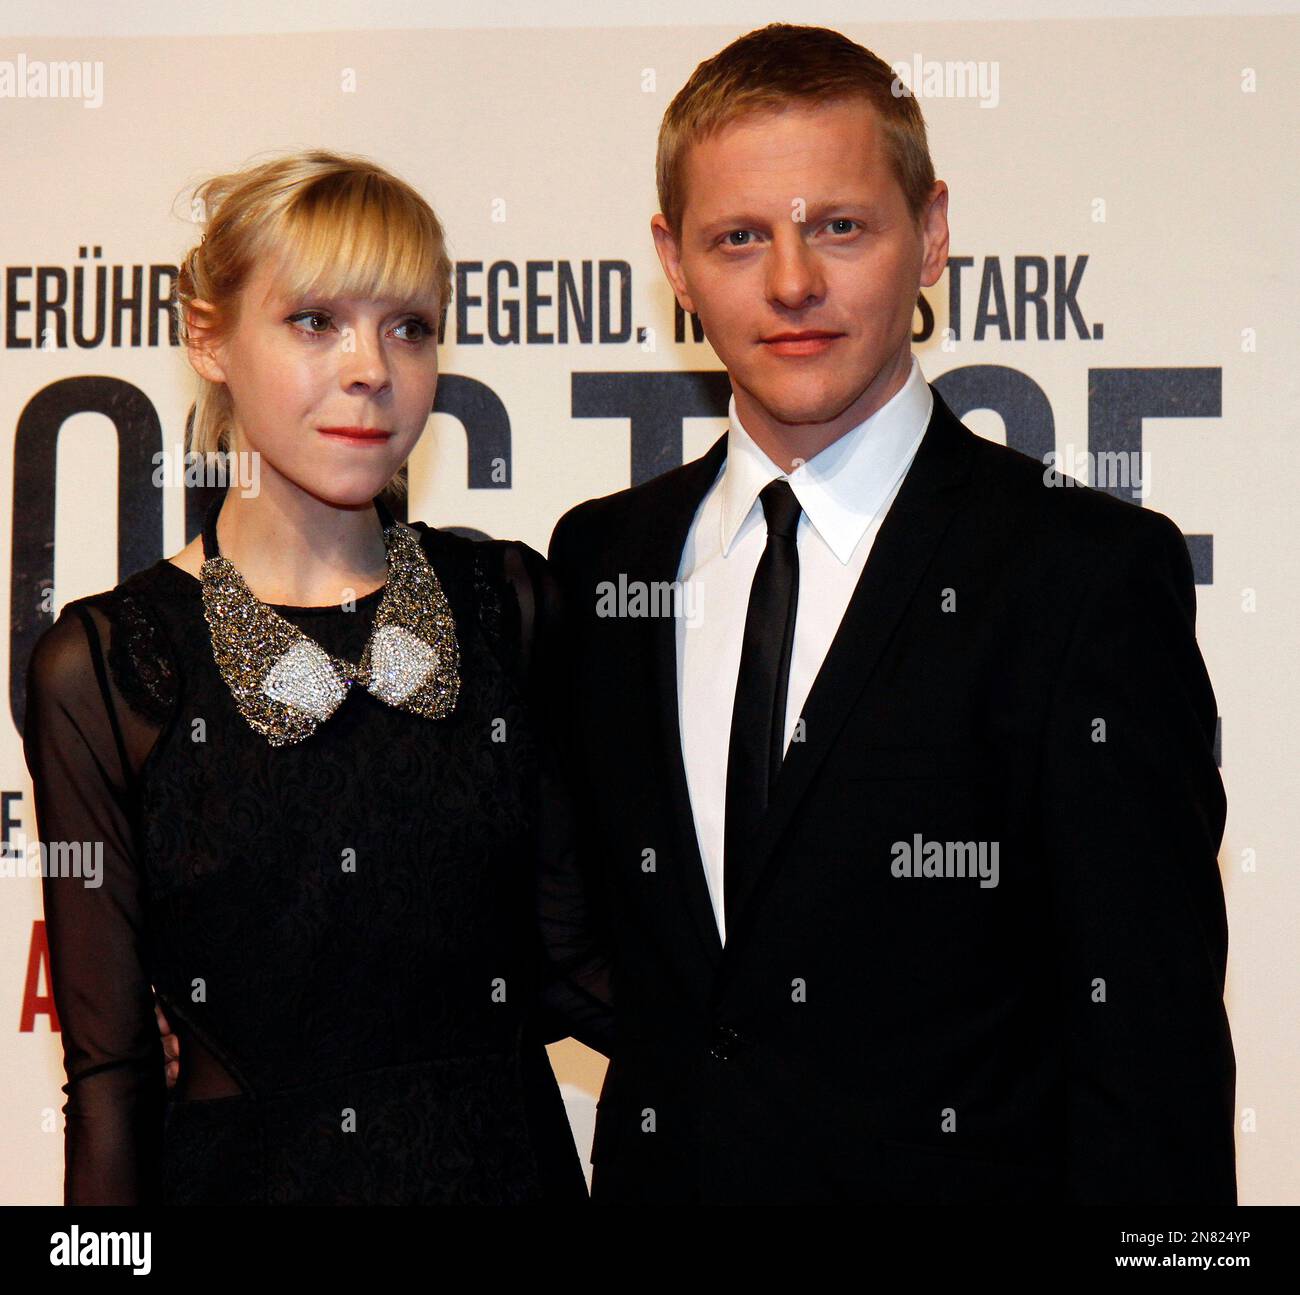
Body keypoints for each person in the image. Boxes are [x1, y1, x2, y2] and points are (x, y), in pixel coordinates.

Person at [543, 24, 1237, 1203]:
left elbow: (1149, 1046)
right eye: (738, 237)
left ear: (934, 235)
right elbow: (560, 931)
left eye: (840, 226)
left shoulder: (1082, 576)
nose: (792, 282)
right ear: (672, 258)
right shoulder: (601, 560)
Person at [22, 150, 592, 1205]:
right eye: (315, 320)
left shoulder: (509, 603)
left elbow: (581, 960)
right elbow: (108, 1078)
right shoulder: (104, 665)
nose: (372, 366)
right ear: (209, 337)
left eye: (409, 326)